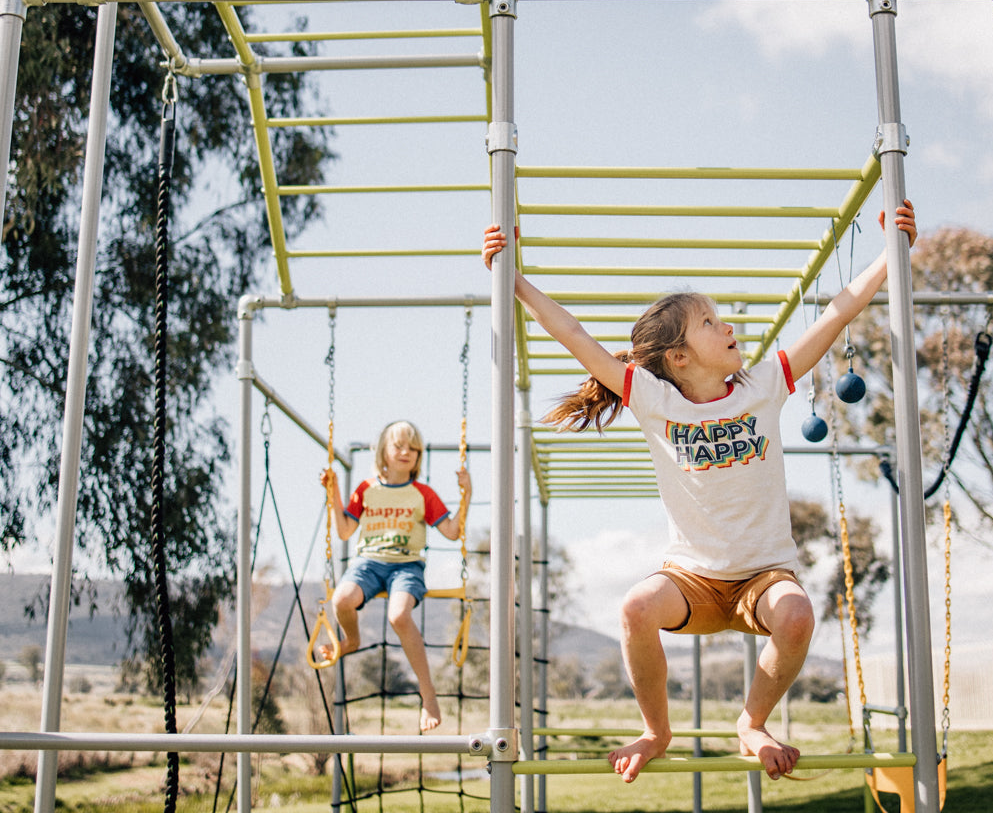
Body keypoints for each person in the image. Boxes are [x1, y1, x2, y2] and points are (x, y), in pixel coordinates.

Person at [482, 201, 917, 781]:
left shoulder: (764, 385)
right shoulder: (654, 400)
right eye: (710, 322)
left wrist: (890, 254)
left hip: (763, 576)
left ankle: (752, 722)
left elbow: (836, 315)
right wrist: (513, 279)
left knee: (796, 617)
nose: (728, 326)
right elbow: (574, 335)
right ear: (679, 357)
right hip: (691, 580)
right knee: (635, 607)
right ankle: (656, 730)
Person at [319, 419, 472, 732]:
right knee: (342, 599)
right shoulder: (366, 489)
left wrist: (466, 493)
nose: (406, 452)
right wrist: (333, 493)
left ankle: (428, 694)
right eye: (399, 446)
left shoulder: (422, 494)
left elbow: (452, 532)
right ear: (383, 452)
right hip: (368, 562)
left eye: (413, 448)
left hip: (406, 565)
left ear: (418, 456)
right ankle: (352, 639)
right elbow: (345, 531)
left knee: (399, 615)